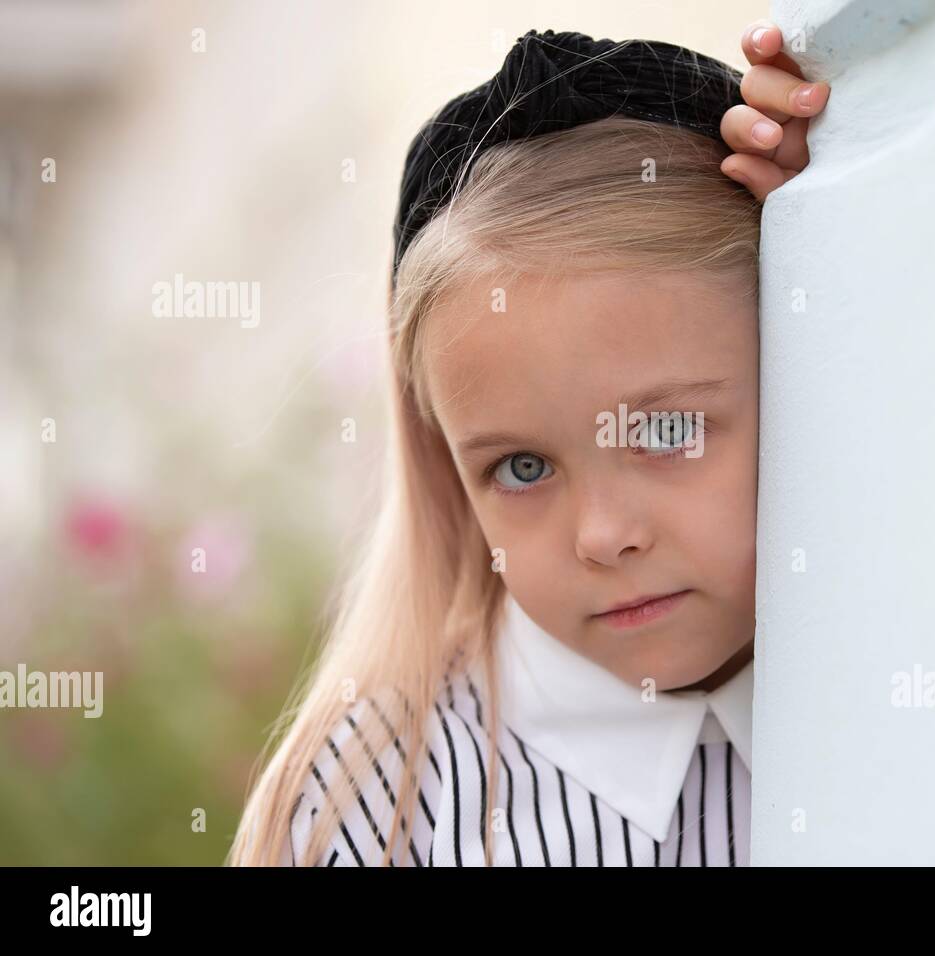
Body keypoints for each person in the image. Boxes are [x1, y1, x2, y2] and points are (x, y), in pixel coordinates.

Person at [228, 21, 829, 867]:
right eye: (522, 467)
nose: (601, 534)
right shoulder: (375, 808)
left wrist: (857, 229)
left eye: (664, 430)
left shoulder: (929, 682)